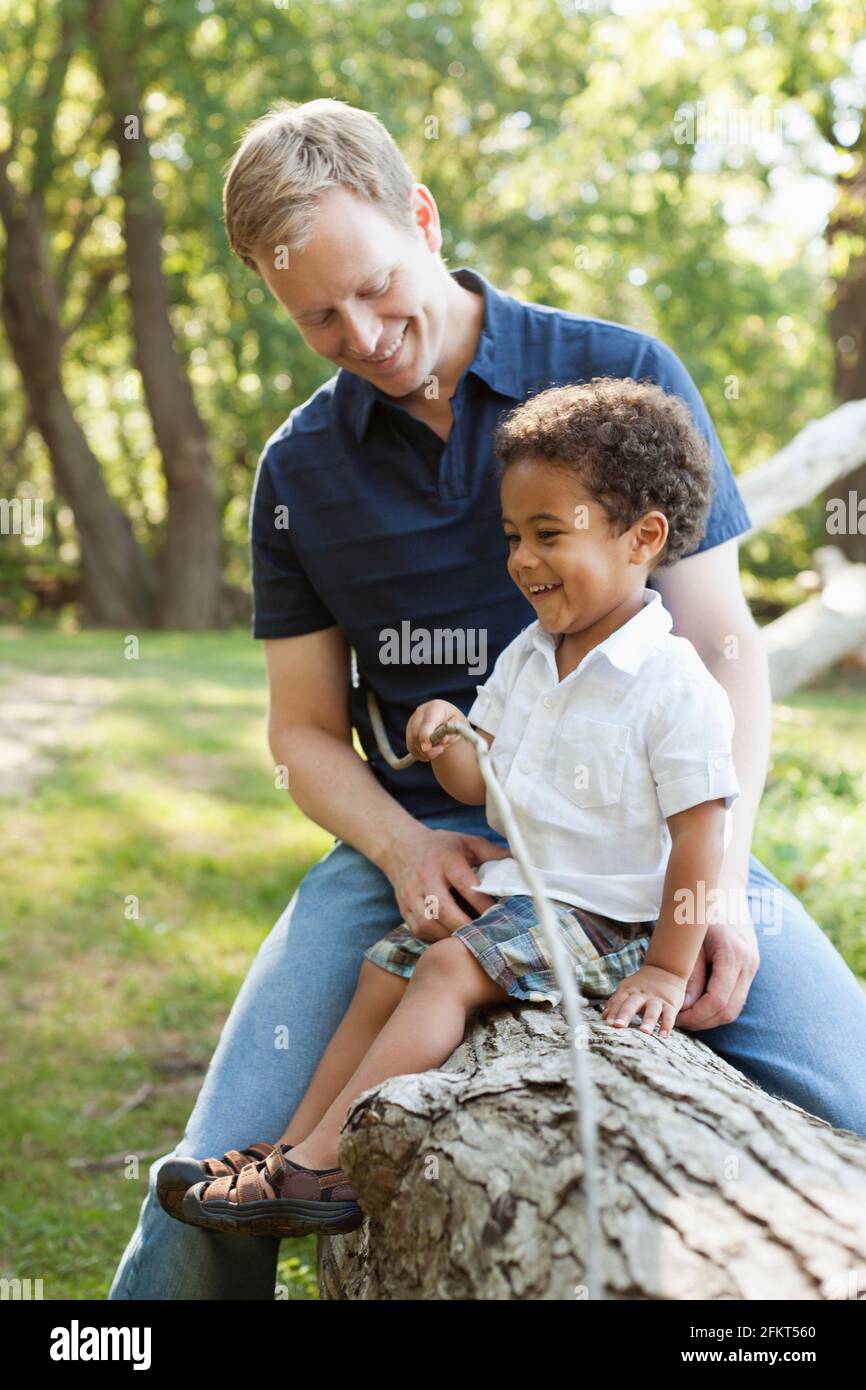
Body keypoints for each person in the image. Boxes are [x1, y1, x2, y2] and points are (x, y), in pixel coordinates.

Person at [110, 98, 866, 1301]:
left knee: (855, 1092)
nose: (359, 333)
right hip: (425, 839)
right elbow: (303, 729)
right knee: (212, 1190)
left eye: (373, 288)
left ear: (422, 214)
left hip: (648, 834)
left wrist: (711, 884)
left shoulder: (620, 374)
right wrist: (404, 845)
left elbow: (723, 649)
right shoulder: (298, 470)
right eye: (315, 315)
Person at [156, 377, 740, 1238]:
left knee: (444, 969)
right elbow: (481, 782)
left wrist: (663, 966)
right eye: (513, 537)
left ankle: (329, 1168)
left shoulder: (671, 684)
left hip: (611, 919)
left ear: (641, 537)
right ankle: (290, 1151)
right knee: (385, 963)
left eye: (550, 535)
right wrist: (449, 731)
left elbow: (701, 839)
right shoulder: (534, 653)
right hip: (531, 893)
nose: (523, 561)